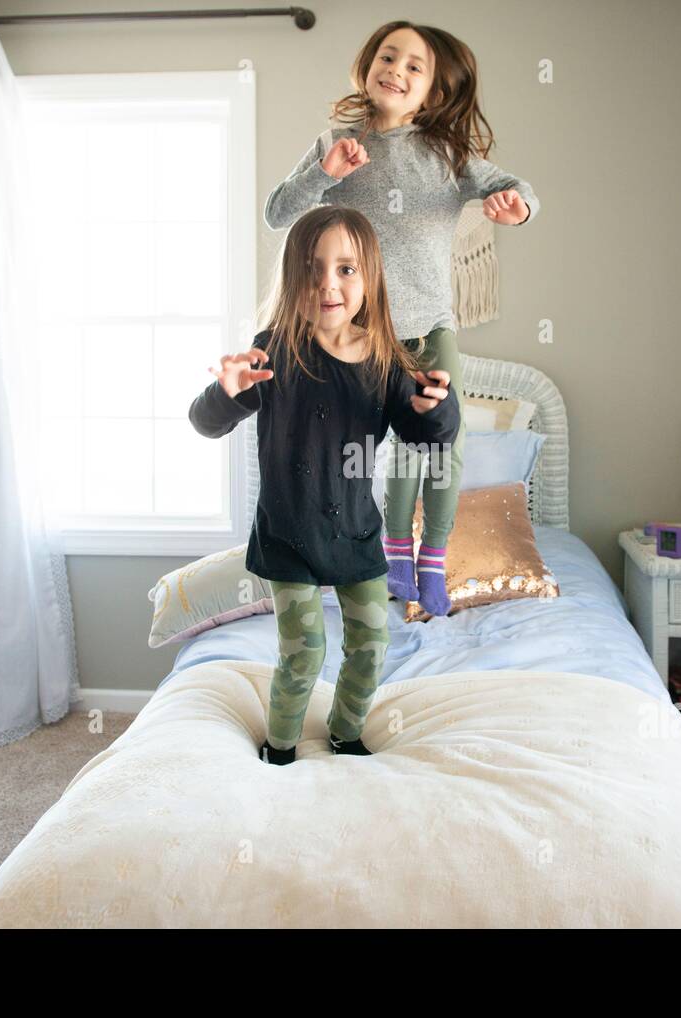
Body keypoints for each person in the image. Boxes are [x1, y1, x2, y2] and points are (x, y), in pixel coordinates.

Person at [264, 20, 540, 615]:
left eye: (415, 66)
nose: (398, 69)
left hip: (430, 325)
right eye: (388, 56)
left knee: (443, 444)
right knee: (375, 451)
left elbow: (518, 189)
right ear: (367, 65)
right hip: (363, 335)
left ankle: (431, 562)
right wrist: (326, 174)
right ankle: (389, 553)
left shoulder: (446, 154)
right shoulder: (336, 142)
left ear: (433, 92)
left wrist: (516, 208)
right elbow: (278, 212)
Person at [188, 205, 460, 764]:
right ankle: (280, 748)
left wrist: (436, 405)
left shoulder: (386, 361)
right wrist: (228, 392)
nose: (328, 284)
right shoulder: (275, 349)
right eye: (312, 269)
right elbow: (205, 422)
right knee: (303, 654)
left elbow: (428, 439)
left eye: (345, 269)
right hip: (288, 537)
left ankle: (345, 730)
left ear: (370, 279)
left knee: (370, 647)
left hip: (357, 536)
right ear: (293, 277)